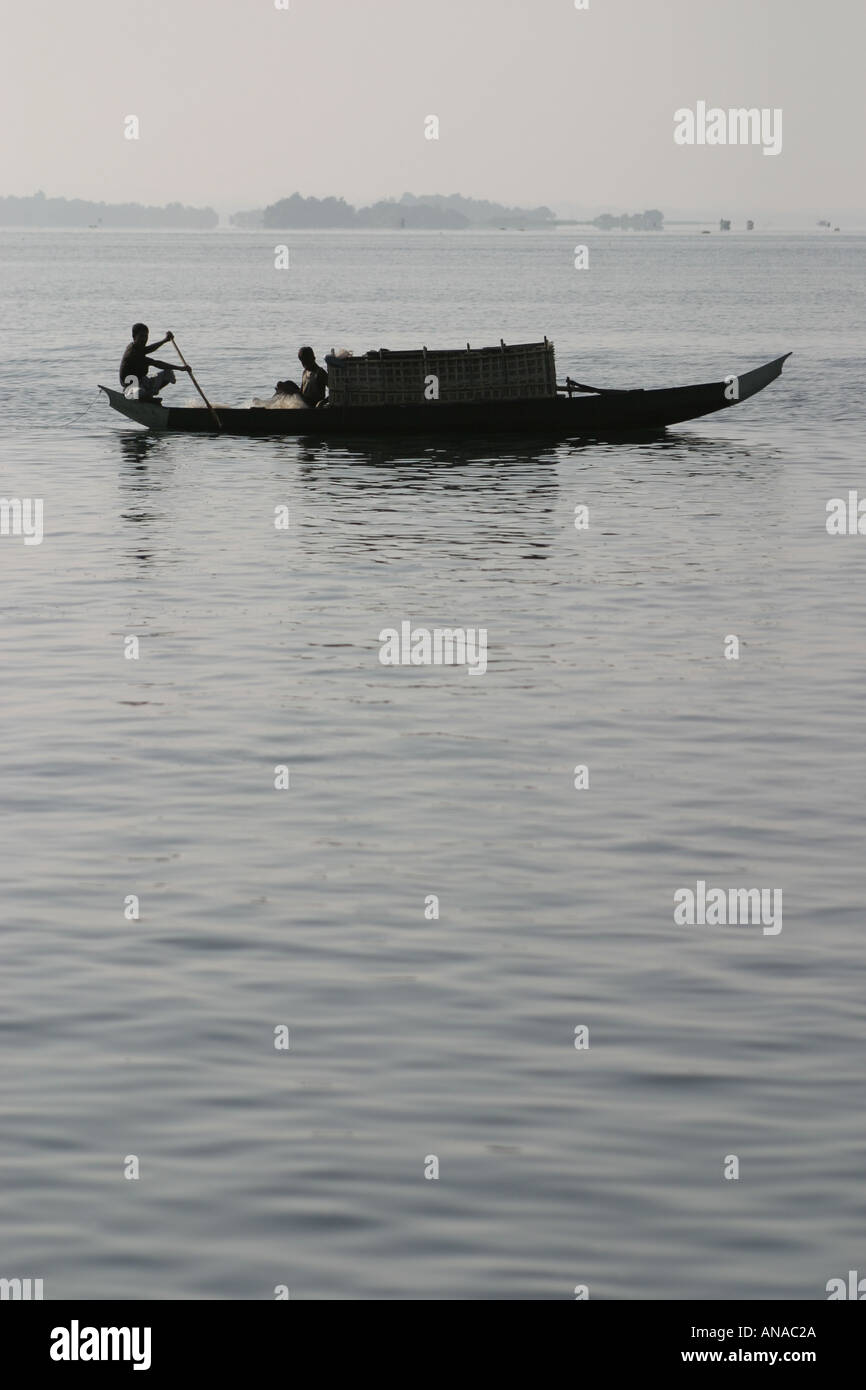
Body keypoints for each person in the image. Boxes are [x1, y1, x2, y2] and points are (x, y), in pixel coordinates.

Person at [119, 324, 190, 399]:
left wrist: (165, 340)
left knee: (169, 374)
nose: (144, 339)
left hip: (143, 382)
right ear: (134, 337)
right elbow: (156, 363)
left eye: (146, 336)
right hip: (130, 386)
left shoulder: (140, 349)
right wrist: (180, 368)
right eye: (141, 336)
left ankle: (149, 394)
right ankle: (142, 396)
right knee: (140, 393)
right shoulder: (132, 352)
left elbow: (149, 349)